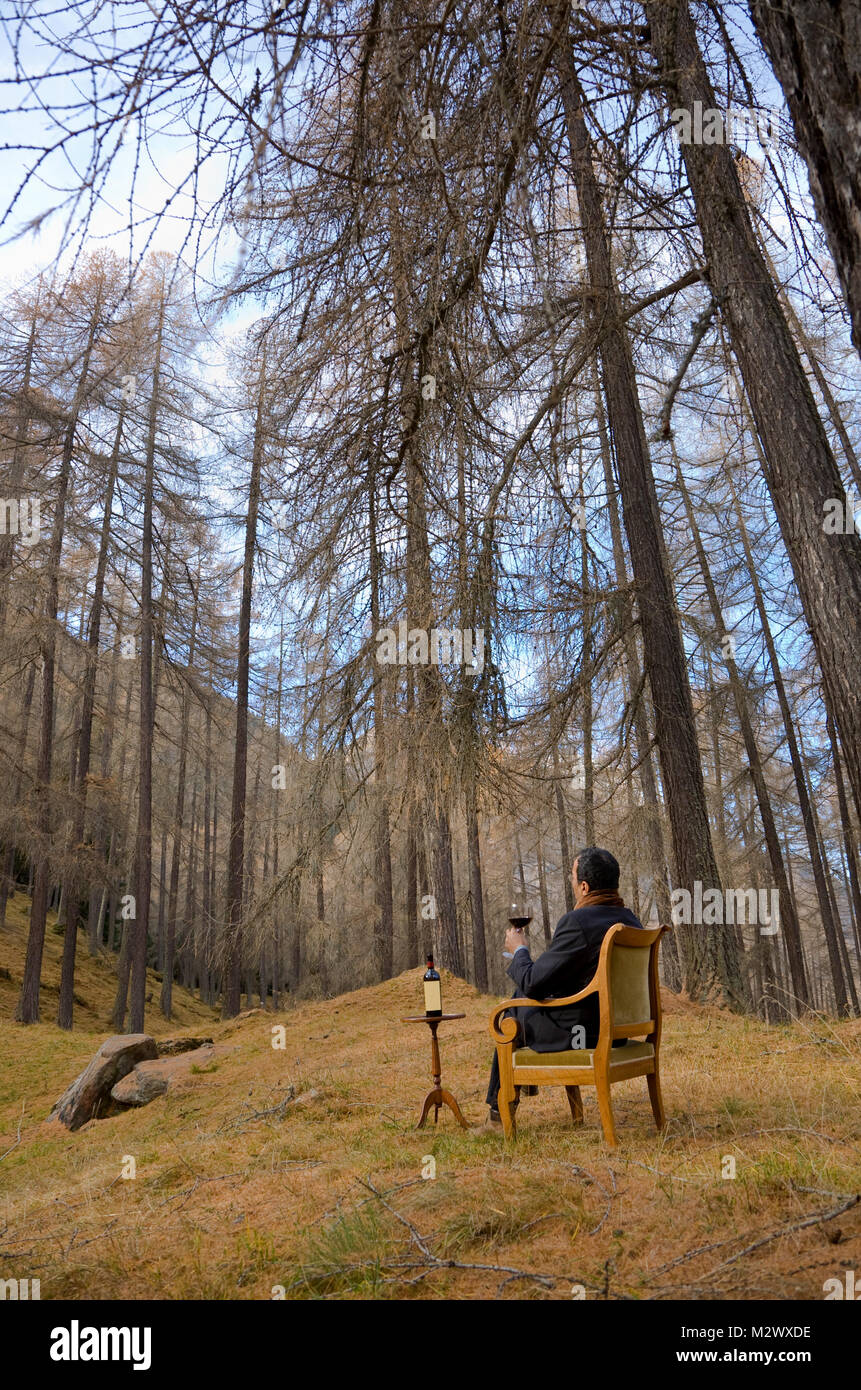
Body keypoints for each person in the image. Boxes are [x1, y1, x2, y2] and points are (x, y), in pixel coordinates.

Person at [484, 846, 643, 1127]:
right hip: (616, 1032)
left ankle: (499, 1115)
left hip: (582, 1034)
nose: (572, 884)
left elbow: (533, 983)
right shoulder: (631, 921)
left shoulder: (578, 922)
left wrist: (519, 950)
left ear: (584, 886)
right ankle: (507, 1103)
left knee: (509, 1014)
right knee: (520, 1000)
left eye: (572, 877)